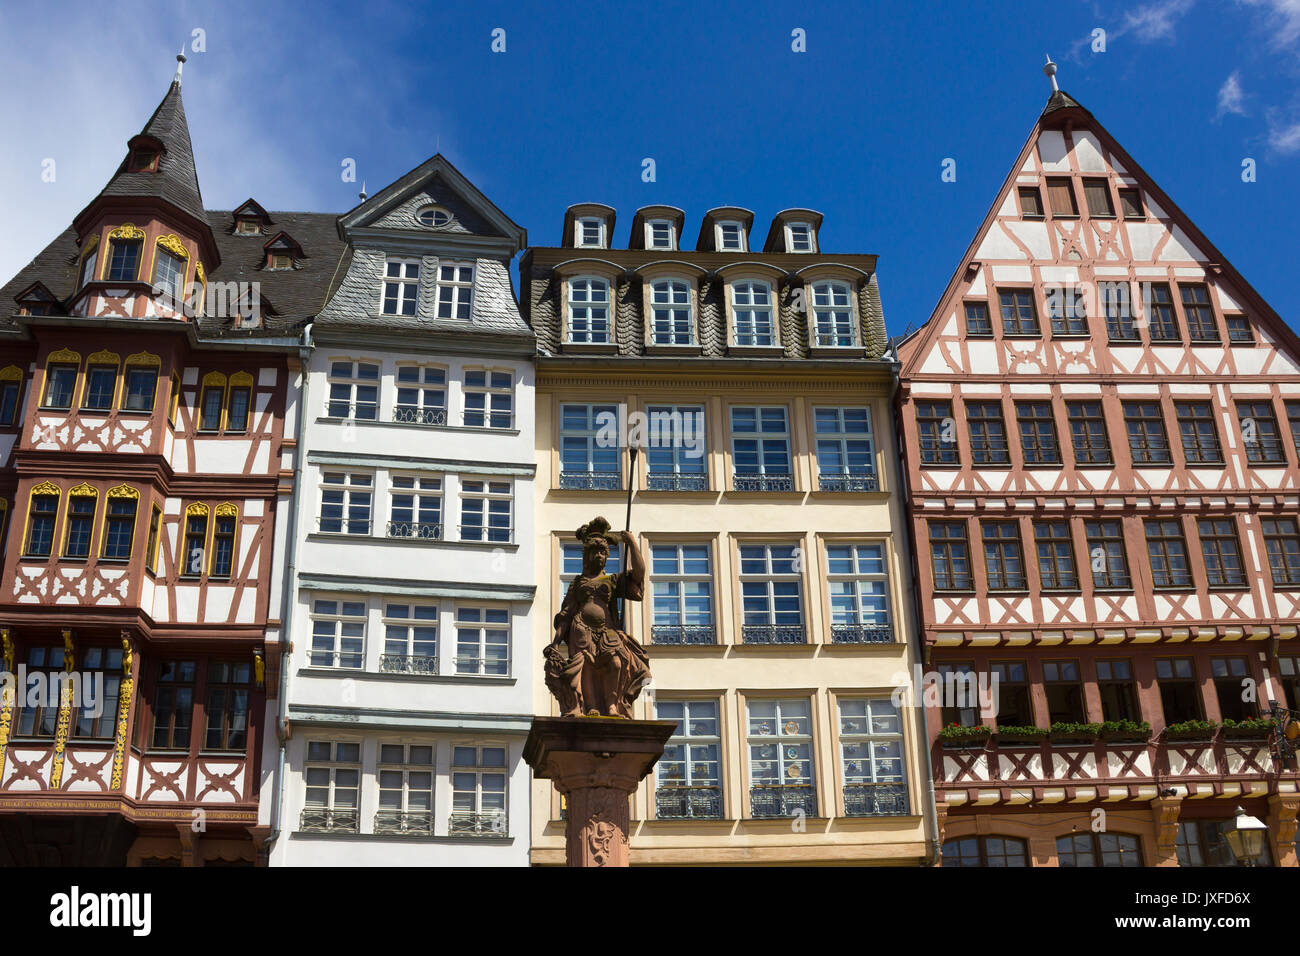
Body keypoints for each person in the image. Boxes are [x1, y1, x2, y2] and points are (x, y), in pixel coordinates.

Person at [545, 516, 651, 718]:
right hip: (581, 628)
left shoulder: (612, 580)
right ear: (586, 556)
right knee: (586, 667)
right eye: (595, 551)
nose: (599, 555)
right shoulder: (578, 583)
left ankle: (612, 705)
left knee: (616, 663)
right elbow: (566, 615)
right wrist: (556, 643)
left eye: (603, 552)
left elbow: (639, 573)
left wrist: (632, 543)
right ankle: (591, 706)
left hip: (607, 630)